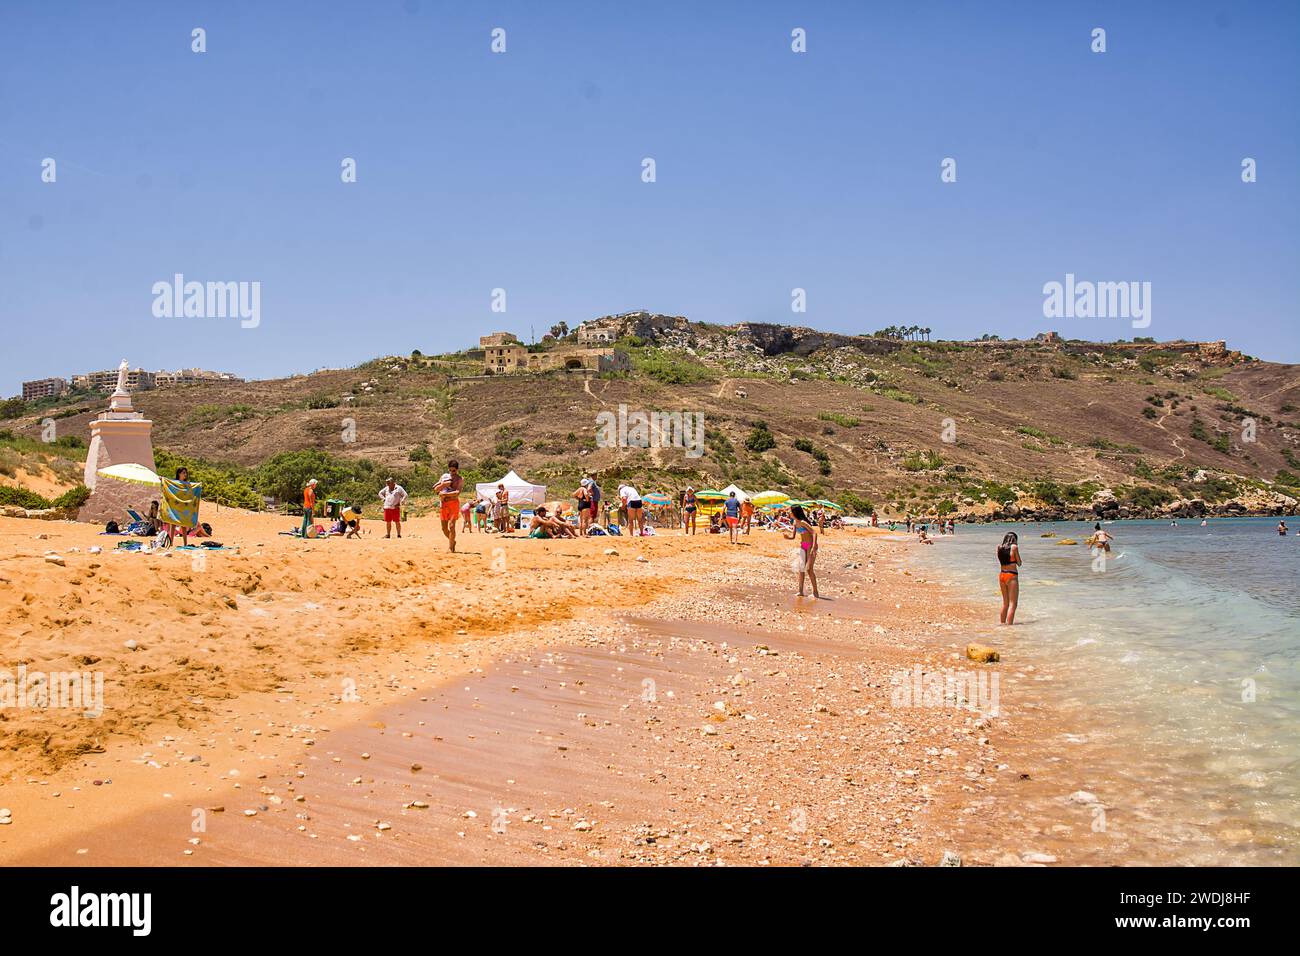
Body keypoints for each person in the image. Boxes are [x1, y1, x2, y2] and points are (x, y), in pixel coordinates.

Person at [784, 504, 820, 598]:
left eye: (790, 511)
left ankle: (815, 592)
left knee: (809, 569)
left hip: (810, 546)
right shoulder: (795, 523)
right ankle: (800, 591)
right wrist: (787, 537)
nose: (789, 513)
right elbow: (793, 537)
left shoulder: (803, 522)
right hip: (803, 545)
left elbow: (814, 532)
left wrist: (814, 545)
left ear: (795, 512)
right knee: (801, 568)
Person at [433, 461, 464, 552]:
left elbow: (457, 492)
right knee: (444, 528)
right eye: (450, 470)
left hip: (453, 503)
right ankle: (452, 541)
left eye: (453, 471)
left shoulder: (460, 479)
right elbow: (435, 487)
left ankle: (450, 547)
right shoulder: (444, 477)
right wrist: (440, 489)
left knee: (451, 526)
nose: (452, 473)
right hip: (443, 504)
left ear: (457, 470)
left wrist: (445, 495)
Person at [997, 531, 1022, 625]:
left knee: (1005, 603)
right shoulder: (1014, 547)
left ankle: (1002, 624)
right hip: (1011, 576)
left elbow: (1001, 561)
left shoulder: (999, 547)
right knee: (1013, 604)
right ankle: (1010, 626)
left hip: (1002, 575)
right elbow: (1019, 563)